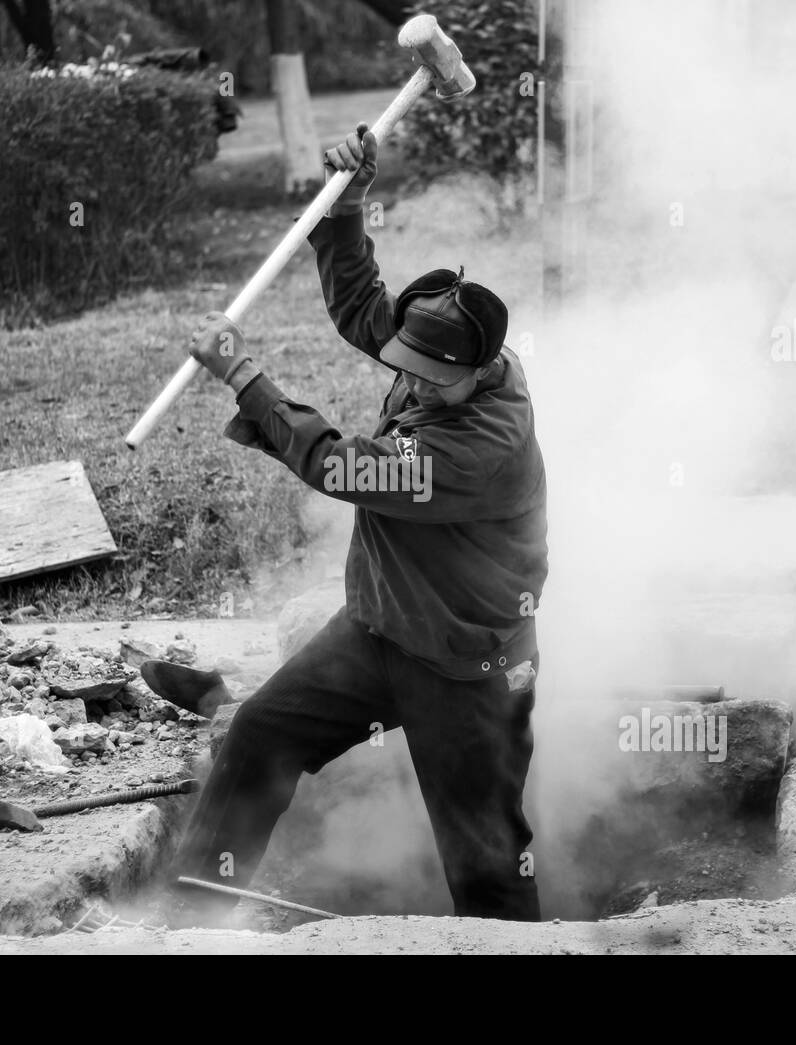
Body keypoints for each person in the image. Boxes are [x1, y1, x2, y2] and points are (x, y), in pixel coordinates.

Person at [166, 122, 548, 922]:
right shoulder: (442, 360)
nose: (406, 378)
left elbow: (343, 466)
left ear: (482, 372)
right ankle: (191, 914)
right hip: (380, 630)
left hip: (466, 668)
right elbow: (361, 308)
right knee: (258, 737)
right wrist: (349, 205)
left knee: (484, 854)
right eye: (404, 363)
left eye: (428, 377)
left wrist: (243, 375)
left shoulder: (483, 444)